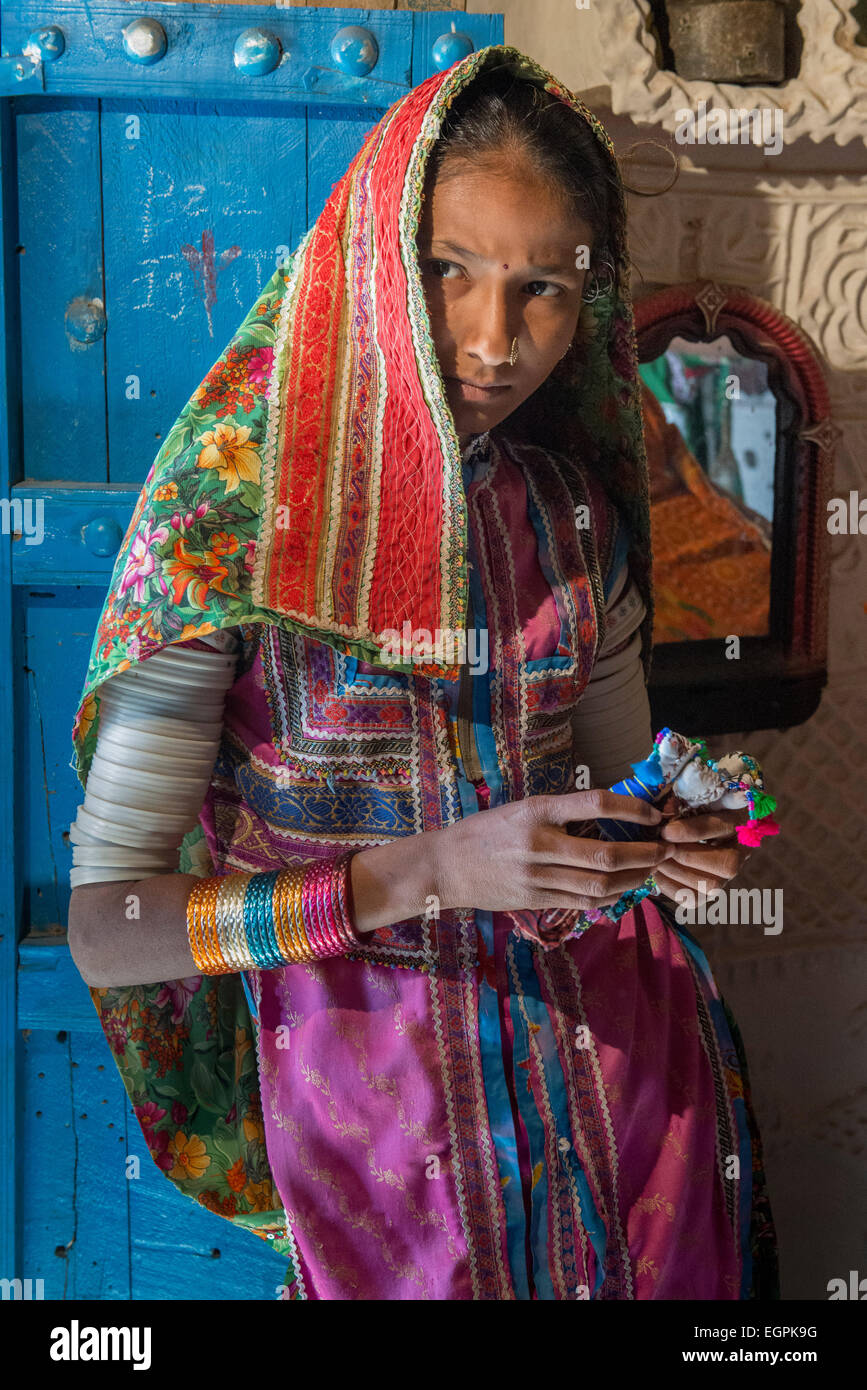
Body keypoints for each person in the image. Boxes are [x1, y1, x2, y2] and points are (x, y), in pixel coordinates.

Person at [66, 45, 778, 1301]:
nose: (497, 340)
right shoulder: (230, 529)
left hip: (631, 1110)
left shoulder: (575, 522)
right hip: (384, 1146)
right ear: (371, 256)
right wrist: (430, 870)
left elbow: (619, 784)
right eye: (450, 269)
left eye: (544, 287)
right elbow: (108, 930)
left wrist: (671, 833)